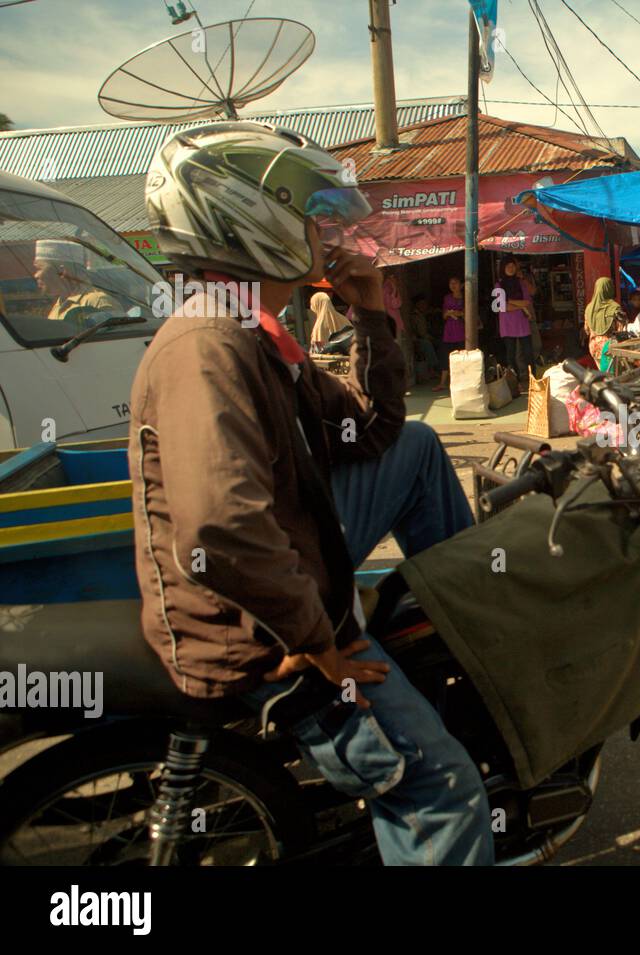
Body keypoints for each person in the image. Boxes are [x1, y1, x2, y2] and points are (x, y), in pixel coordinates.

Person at [133, 121, 493, 865]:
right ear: (251, 223)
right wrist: (319, 639)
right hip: (258, 631)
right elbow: (220, 530)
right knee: (444, 788)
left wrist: (371, 314)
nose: (323, 232)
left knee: (424, 445)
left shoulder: (255, 333)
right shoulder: (207, 345)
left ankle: (464, 618)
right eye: (307, 216)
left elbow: (376, 432)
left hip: (292, 558)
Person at [34, 239, 118, 325]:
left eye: (39, 268)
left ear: (62, 271)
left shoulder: (97, 301)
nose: (35, 275)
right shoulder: (59, 304)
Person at [495, 257, 534, 381]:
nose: (511, 269)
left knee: (528, 352)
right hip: (507, 323)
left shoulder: (521, 283)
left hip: (522, 322)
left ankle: (532, 377)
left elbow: (527, 302)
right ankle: (514, 381)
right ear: (503, 268)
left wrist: (510, 301)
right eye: (508, 266)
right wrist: (518, 304)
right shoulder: (499, 285)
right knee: (510, 355)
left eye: (513, 266)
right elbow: (502, 306)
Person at [584, 276, 625, 365]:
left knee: (602, 374)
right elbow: (621, 330)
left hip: (594, 347)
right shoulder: (615, 307)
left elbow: (587, 330)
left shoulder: (589, 308)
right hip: (610, 348)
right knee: (612, 375)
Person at [438, 275, 469, 390]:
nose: (453, 285)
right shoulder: (447, 298)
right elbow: (444, 315)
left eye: (455, 283)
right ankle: (442, 383)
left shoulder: (466, 297)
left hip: (462, 330)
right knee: (446, 356)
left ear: (461, 285)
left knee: (463, 356)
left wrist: (457, 313)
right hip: (449, 331)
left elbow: (466, 313)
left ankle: (464, 382)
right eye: (451, 283)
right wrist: (451, 313)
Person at [408, 294, 441, 385]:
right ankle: (432, 369)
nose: (424, 306)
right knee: (427, 344)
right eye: (422, 304)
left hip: (424, 336)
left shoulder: (423, 314)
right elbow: (421, 332)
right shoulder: (415, 316)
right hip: (419, 339)